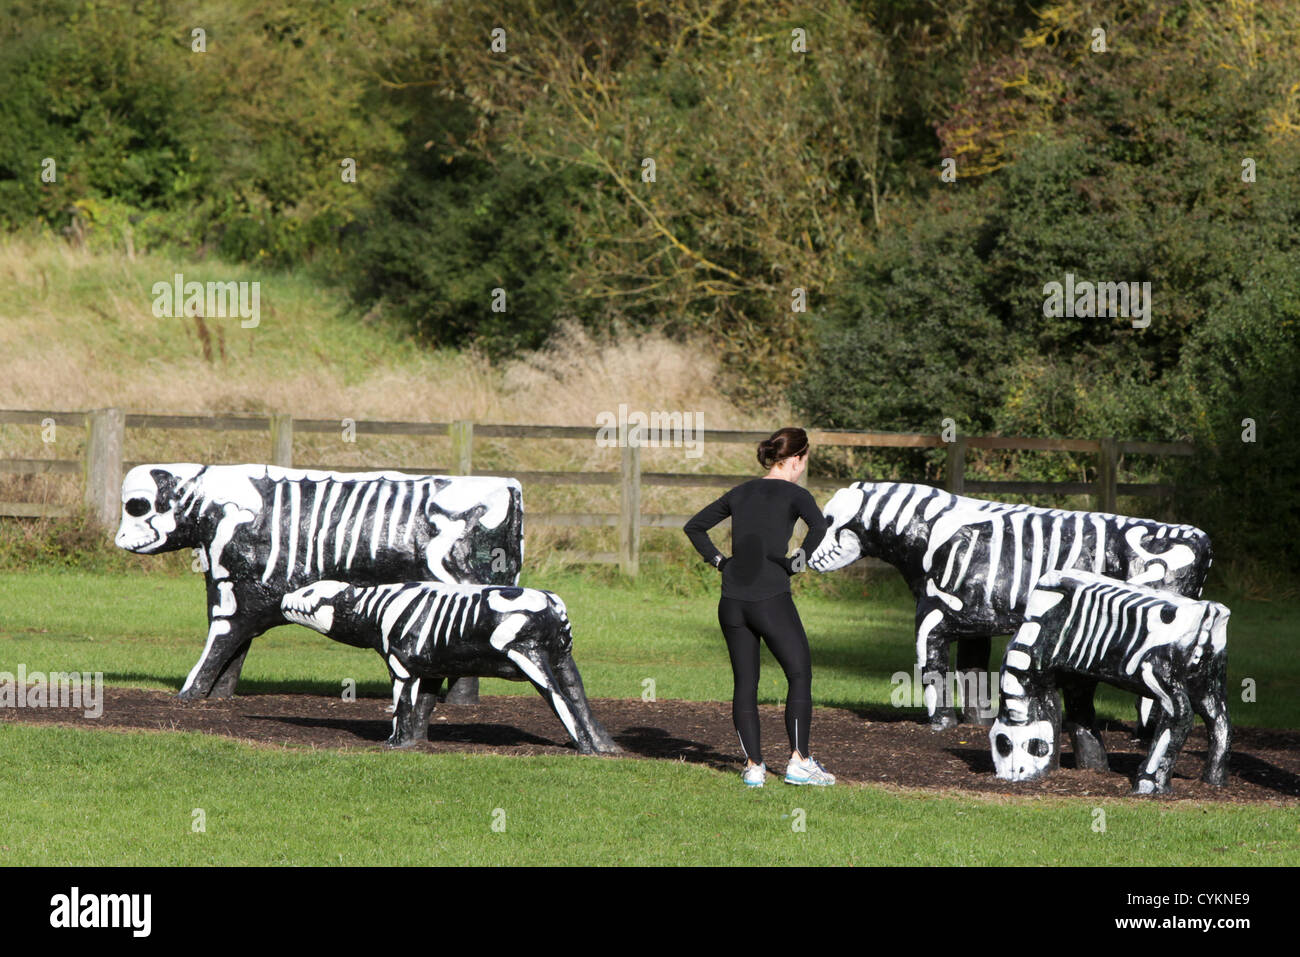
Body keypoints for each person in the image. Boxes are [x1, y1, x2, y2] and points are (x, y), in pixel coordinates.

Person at [683, 426, 834, 787]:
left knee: (745, 684)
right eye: (804, 461)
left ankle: (753, 767)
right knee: (799, 674)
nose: (802, 468)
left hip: (731, 602)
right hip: (771, 599)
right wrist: (797, 563)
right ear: (796, 460)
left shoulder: (741, 491)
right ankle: (799, 761)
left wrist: (720, 561)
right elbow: (819, 527)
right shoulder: (796, 495)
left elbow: (695, 527)